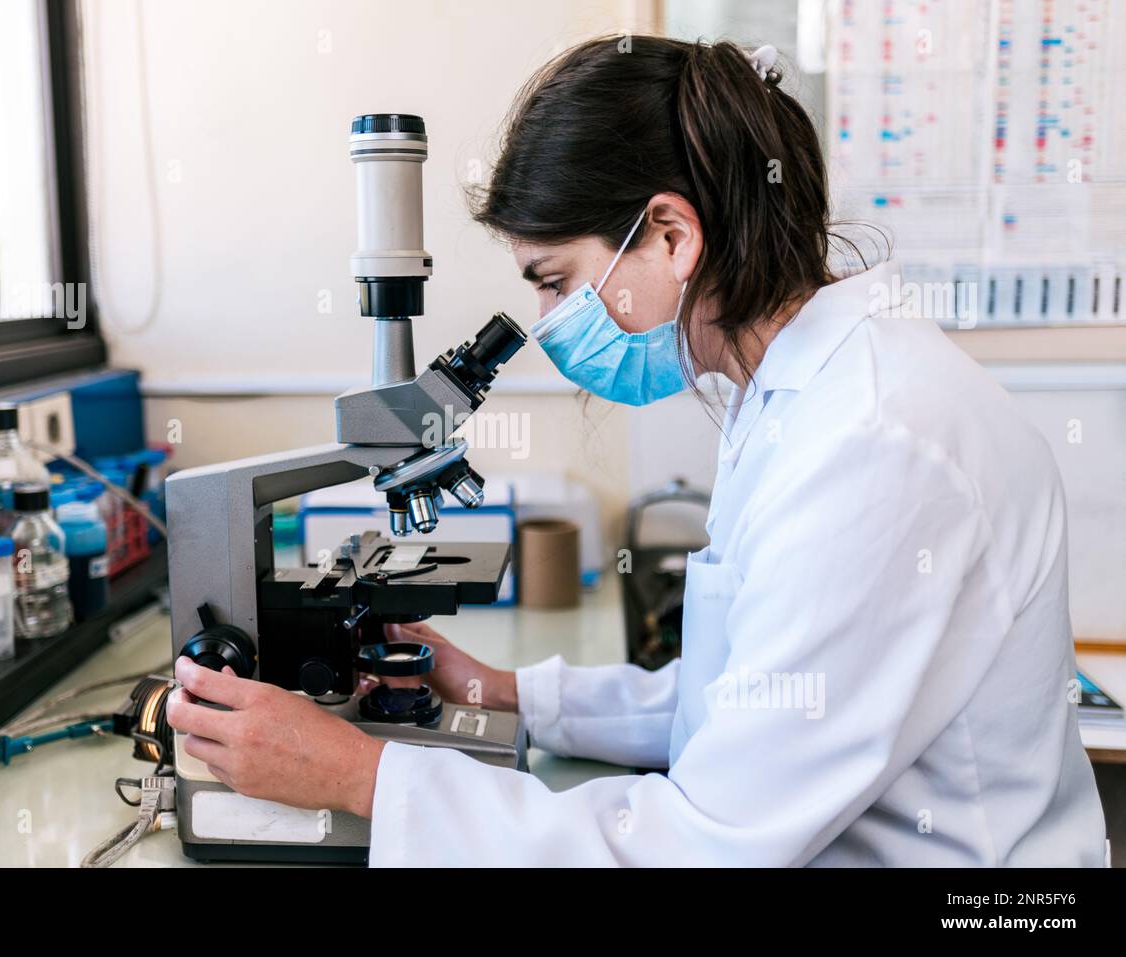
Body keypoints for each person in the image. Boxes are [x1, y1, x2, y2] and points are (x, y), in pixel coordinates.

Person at [167, 36, 1106, 866]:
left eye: (556, 281)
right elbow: (750, 705)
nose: (546, 324)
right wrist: (511, 692)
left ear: (670, 234)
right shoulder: (795, 398)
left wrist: (362, 776)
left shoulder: (874, 444)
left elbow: (705, 844)